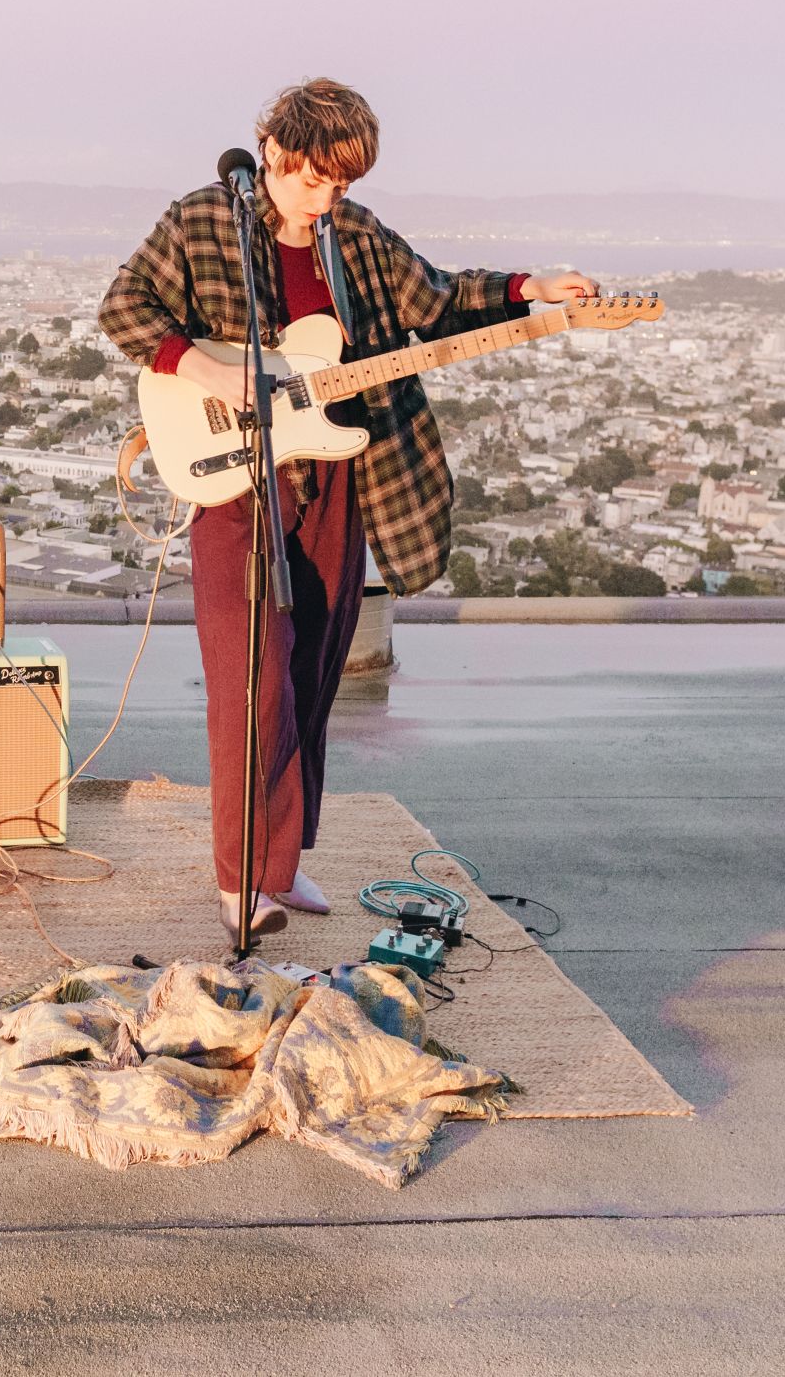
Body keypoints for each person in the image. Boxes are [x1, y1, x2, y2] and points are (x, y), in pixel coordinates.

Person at [99, 79, 600, 940]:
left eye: (340, 182)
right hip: (238, 481)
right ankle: (240, 879)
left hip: (336, 478)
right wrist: (208, 368)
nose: (324, 198)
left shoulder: (356, 236)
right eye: (311, 179)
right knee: (251, 679)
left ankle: (279, 863)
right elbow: (123, 308)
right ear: (270, 149)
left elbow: (438, 299)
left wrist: (533, 286)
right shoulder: (202, 220)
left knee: (311, 675)